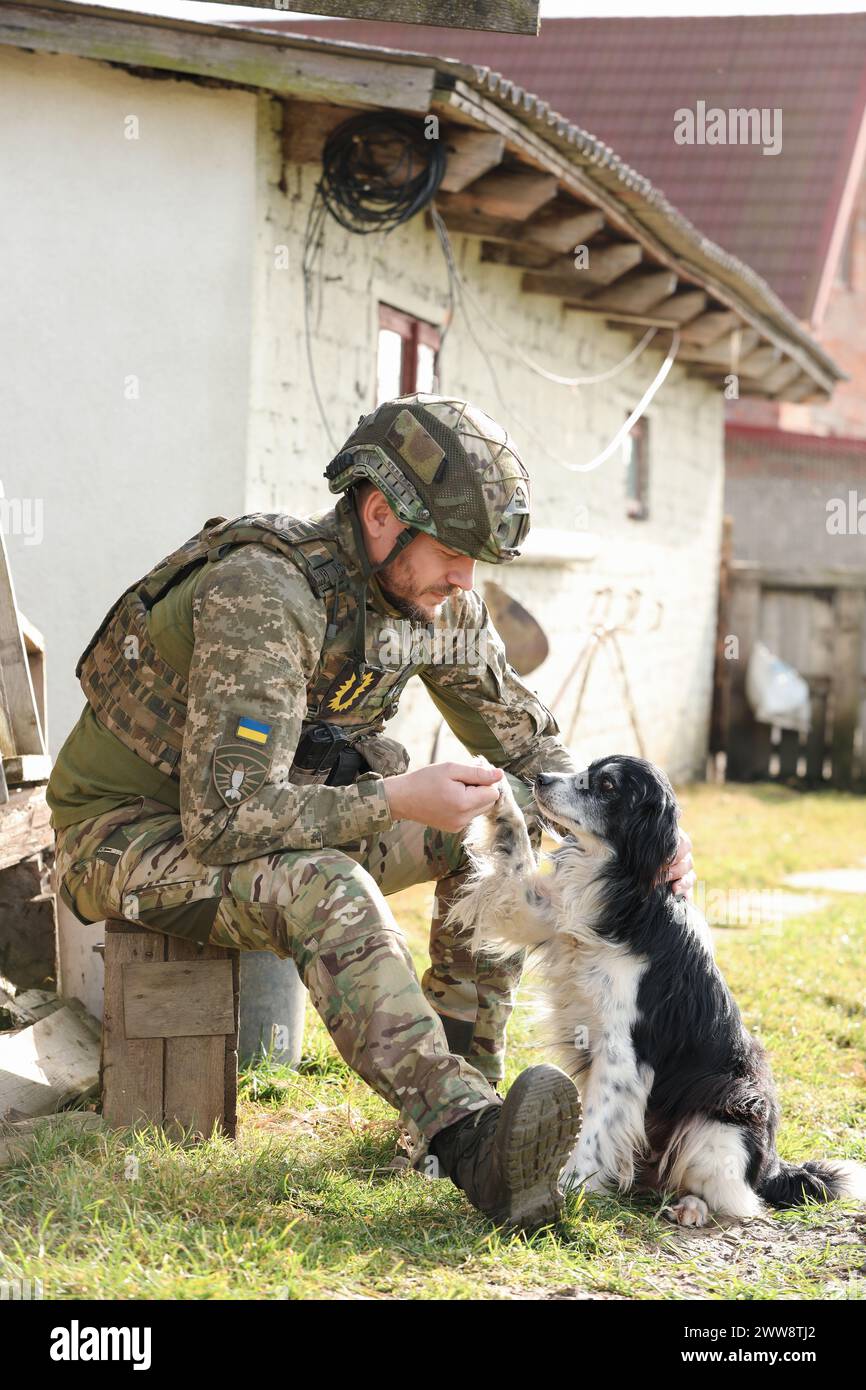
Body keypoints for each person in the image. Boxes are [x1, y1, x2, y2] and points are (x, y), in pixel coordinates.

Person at [49, 393, 694, 1231]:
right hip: (127, 834)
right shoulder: (267, 590)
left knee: (490, 834)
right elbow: (222, 821)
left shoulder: (433, 602)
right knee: (328, 885)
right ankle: (469, 1141)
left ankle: (464, 1105)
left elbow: (525, 743)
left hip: (253, 821)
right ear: (381, 514)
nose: (468, 580)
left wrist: (643, 843)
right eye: (456, 553)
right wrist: (390, 797)